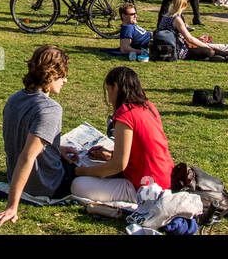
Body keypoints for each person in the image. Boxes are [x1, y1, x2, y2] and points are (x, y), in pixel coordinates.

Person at [0, 45, 79, 226]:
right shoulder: (50, 109)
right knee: (94, 167)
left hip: (15, 177)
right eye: (63, 75)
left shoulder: (14, 99)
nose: (65, 81)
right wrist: (12, 207)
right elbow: (27, 157)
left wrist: (57, 148)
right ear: (51, 74)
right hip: (46, 185)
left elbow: (22, 139)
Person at [70, 66, 174, 204]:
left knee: (78, 185)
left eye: (109, 91)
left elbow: (118, 166)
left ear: (115, 87)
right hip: (165, 179)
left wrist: (83, 171)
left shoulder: (125, 114)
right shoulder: (149, 107)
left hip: (143, 188)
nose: (109, 97)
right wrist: (111, 155)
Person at [157, 0, 223, 60]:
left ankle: (223, 55)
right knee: (209, 50)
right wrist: (206, 46)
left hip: (170, 45)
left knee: (208, 41)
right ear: (185, 4)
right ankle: (226, 55)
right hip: (179, 50)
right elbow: (189, 39)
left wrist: (198, 39)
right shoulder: (177, 19)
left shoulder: (166, 15)